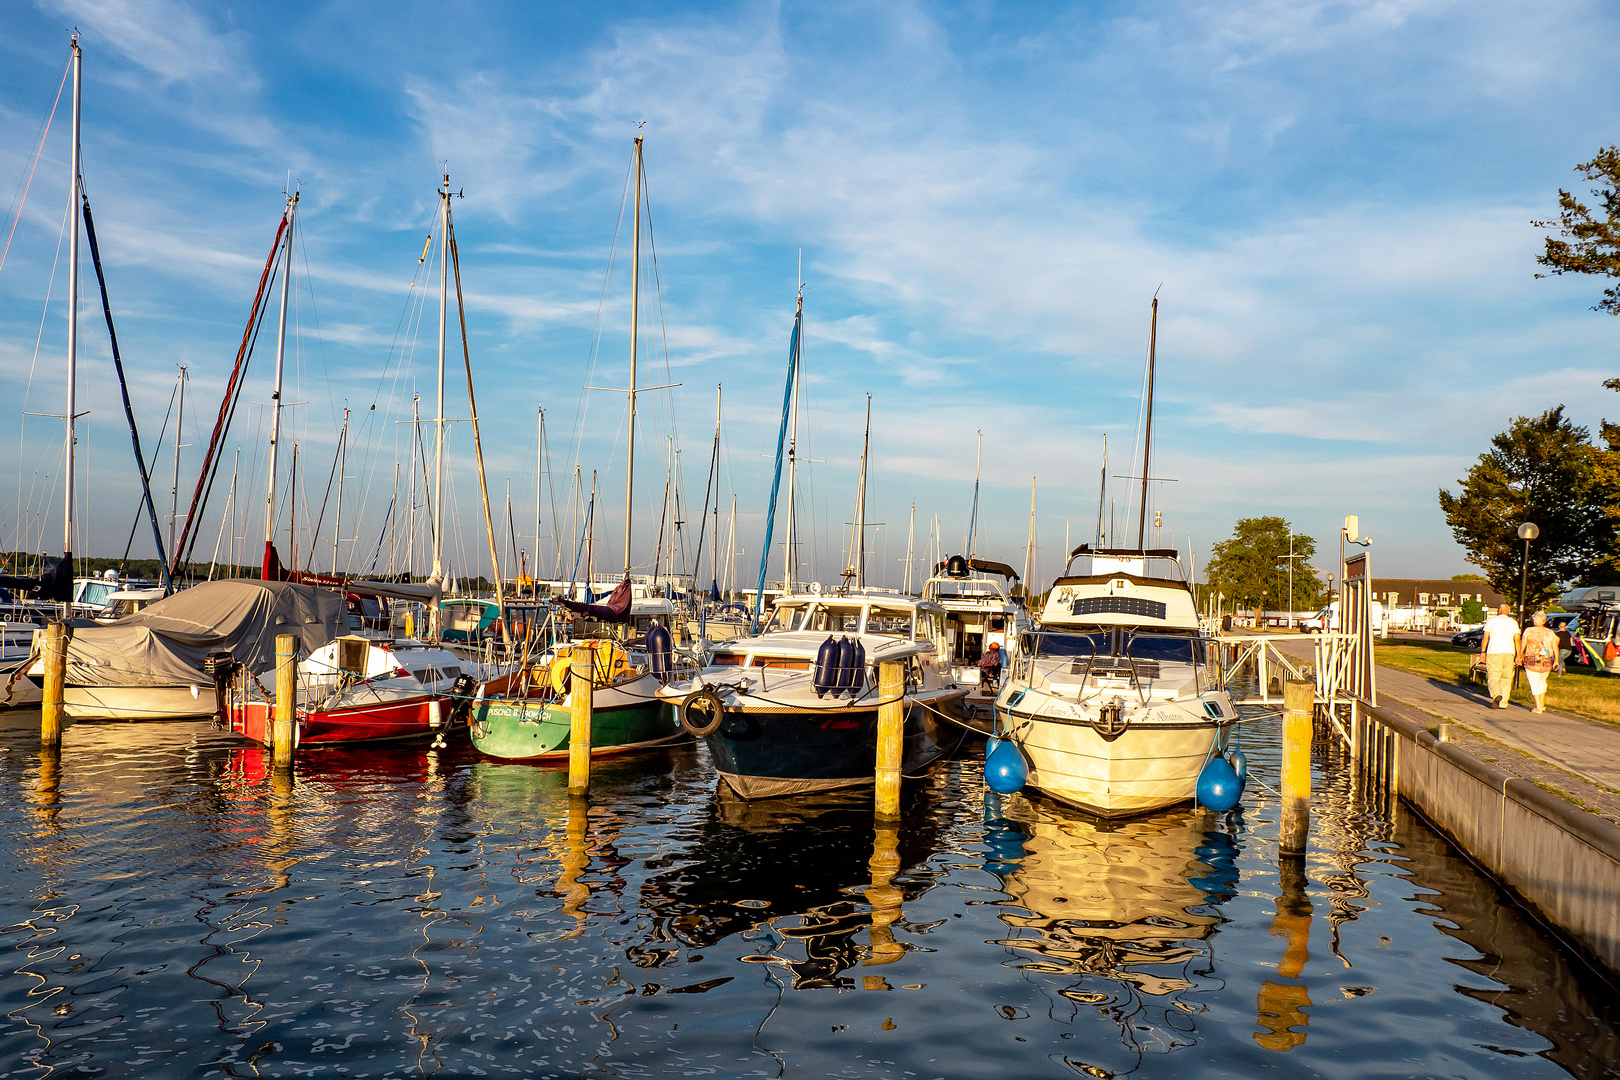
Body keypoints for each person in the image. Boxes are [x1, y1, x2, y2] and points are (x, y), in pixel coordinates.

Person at [1480, 604, 1520, 709]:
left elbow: (1485, 638)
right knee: (1506, 678)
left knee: (1493, 676)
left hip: (1494, 651)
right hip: (1509, 652)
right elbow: (1517, 640)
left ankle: (1496, 694)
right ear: (1508, 611)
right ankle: (1503, 702)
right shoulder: (1513, 622)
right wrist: (1518, 655)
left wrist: (1482, 652)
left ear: (1499, 610)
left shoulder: (1491, 621)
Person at [1520, 611, 1559, 714]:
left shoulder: (1528, 631)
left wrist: (1519, 655)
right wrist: (1556, 660)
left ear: (1535, 620)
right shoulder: (1550, 632)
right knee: (1542, 681)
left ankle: (1538, 707)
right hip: (1547, 660)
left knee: (1534, 682)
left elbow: (1523, 644)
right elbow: (1555, 647)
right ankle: (1541, 704)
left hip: (1532, 660)